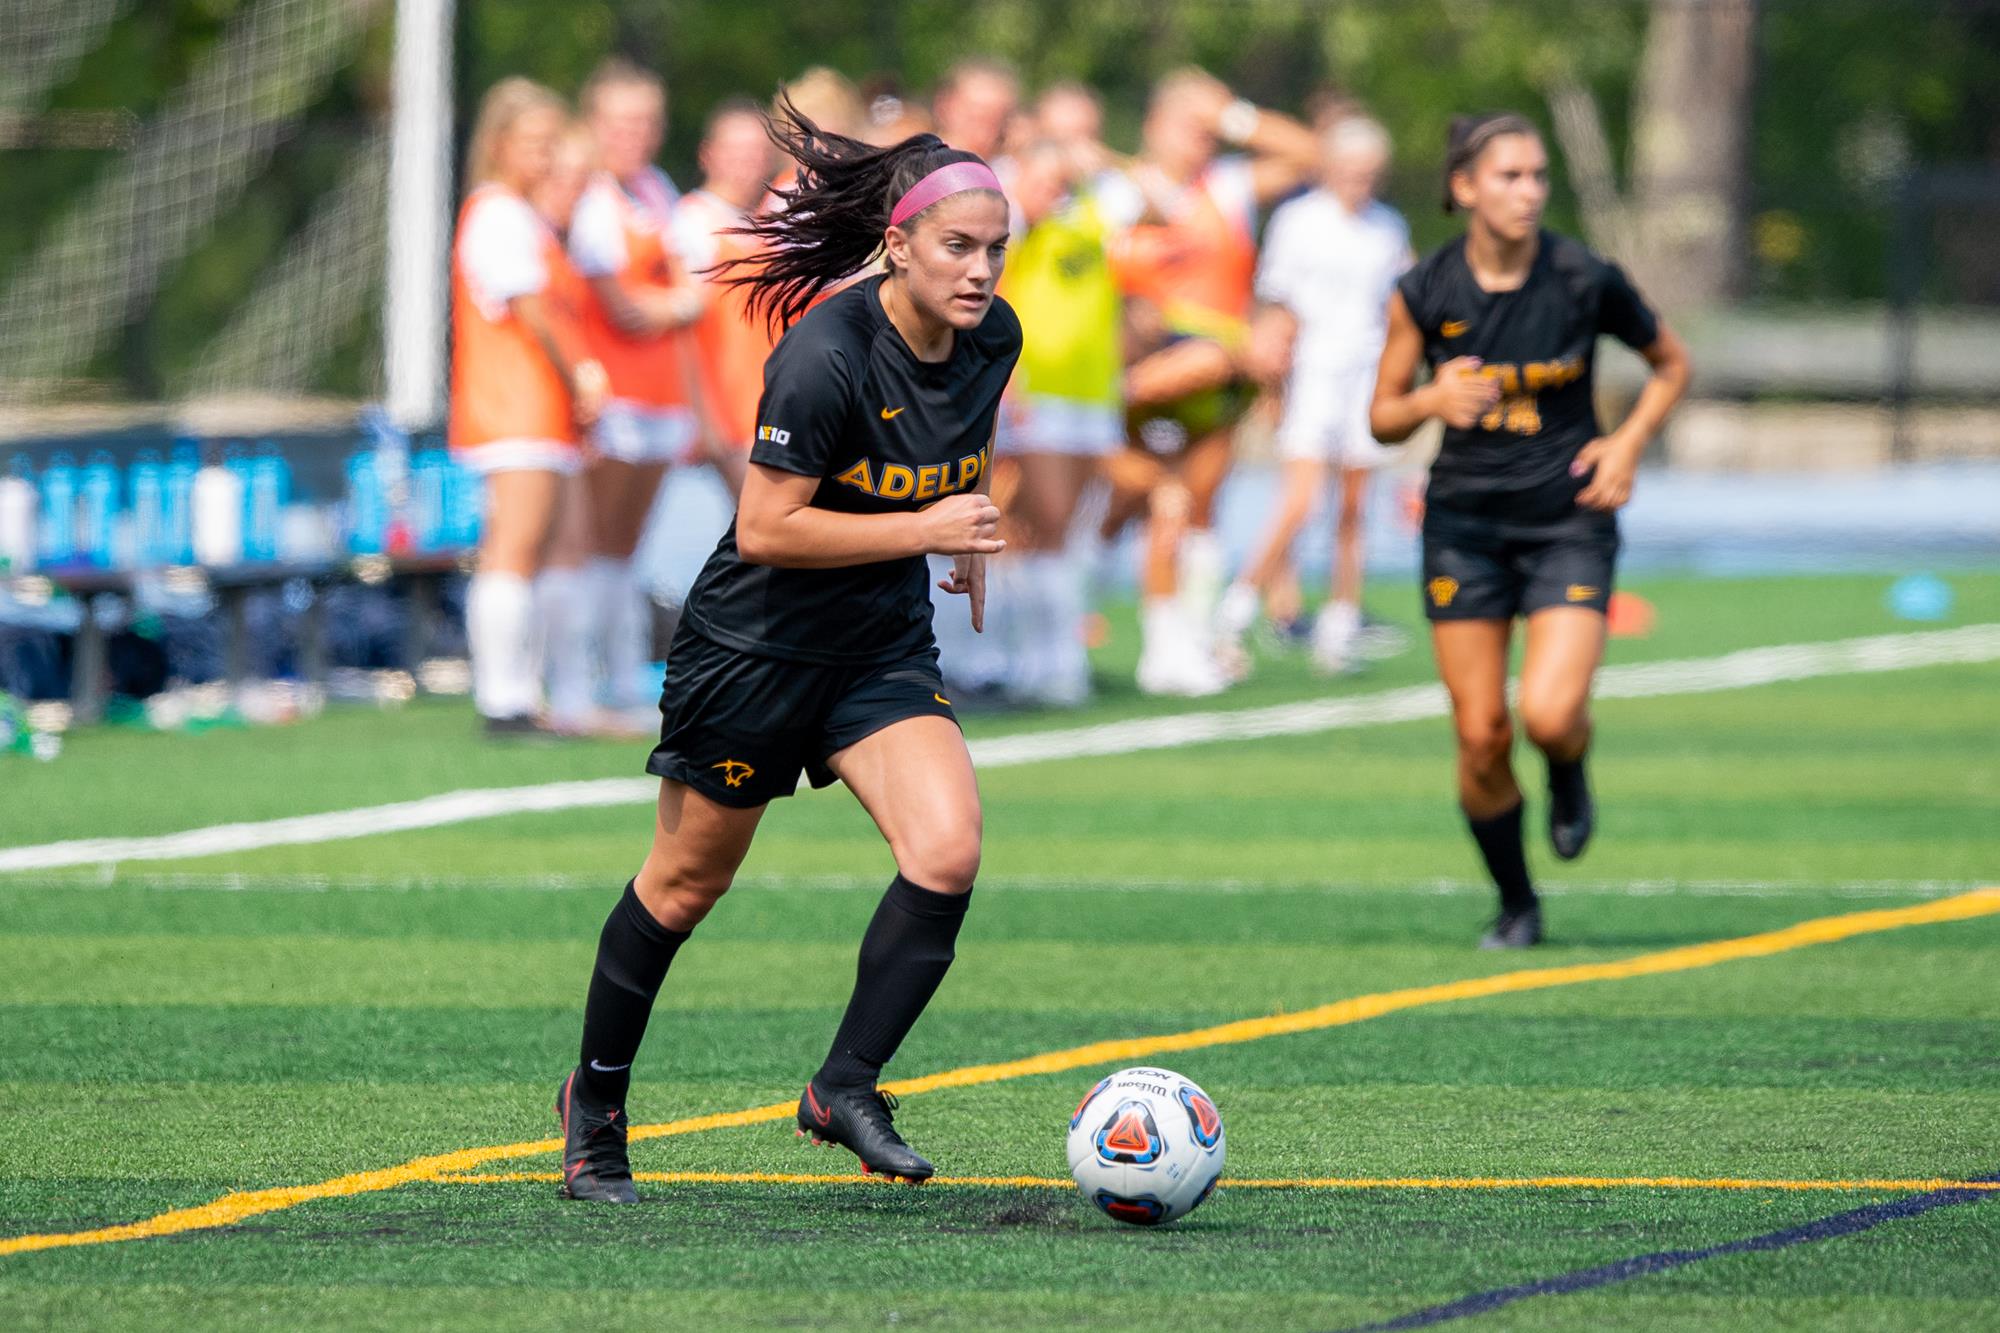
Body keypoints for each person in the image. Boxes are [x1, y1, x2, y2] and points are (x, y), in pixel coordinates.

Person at [553, 99, 1020, 1200]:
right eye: (958, 246)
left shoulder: (989, 337)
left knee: (945, 849)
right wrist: (926, 527)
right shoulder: (823, 355)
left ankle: (842, 1085)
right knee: (682, 884)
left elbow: (958, 445)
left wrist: (968, 525)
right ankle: (596, 1099)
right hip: (752, 648)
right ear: (896, 245)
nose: (981, 269)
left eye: (996, 248)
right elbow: (766, 528)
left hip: (876, 645)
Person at [1369, 112, 1690, 948]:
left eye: (1538, 175)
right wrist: (1432, 401)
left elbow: (1671, 363)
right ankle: (1517, 902)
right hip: (1463, 528)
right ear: (1465, 189)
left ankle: (1569, 765)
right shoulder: (1426, 290)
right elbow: (1382, 417)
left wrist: (1624, 445)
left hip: (1567, 524)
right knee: (1480, 735)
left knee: (1546, 715)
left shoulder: (1583, 276)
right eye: (1510, 176)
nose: (1529, 191)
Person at [1097, 69, 1318, 696]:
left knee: (1200, 511)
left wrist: (1235, 117)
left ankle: (1188, 644)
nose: (1200, 140)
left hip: (1217, 381)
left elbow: (1309, 155)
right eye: (1187, 126)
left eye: (1207, 130)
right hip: (1144, 376)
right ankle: (1140, 643)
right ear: (1152, 126)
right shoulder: (1118, 189)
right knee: (1136, 508)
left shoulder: (1224, 185)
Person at [1219, 113, 1413, 674]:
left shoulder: (1388, 226)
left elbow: (1397, 302)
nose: (1361, 181)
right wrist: (1274, 383)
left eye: (1370, 172)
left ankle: (1340, 623)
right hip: (1313, 371)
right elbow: (1277, 303)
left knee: (1355, 505)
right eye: (1351, 170)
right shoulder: (1299, 220)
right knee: (1300, 500)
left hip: (1367, 372)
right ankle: (1235, 610)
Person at [447, 79, 604, 736]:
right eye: (534, 144)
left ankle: (542, 691)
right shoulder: (497, 211)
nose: (545, 158)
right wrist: (583, 378)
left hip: (540, 409)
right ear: (500, 143)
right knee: (513, 548)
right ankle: (503, 697)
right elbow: (534, 311)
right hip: (514, 407)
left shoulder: (526, 214)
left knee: (558, 547)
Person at [562, 58, 707, 730]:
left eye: (647, 121)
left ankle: (621, 675)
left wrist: (674, 304)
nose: (636, 135)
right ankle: (583, 678)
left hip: (658, 397)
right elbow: (625, 308)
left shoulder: (655, 190)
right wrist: (677, 303)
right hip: (612, 396)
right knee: (597, 540)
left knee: (627, 545)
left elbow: (683, 291)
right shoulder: (588, 198)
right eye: (621, 121)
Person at [993, 138, 1123, 706]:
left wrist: (1097, 160)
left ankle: (1056, 662)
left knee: (1067, 533)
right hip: (1038, 390)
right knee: (1045, 521)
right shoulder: (1012, 225)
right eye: (1036, 179)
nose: (1046, 190)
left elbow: (1152, 199)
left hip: (1094, 392)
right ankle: (1043, 663)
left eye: (1055, 178)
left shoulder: (1095, 212)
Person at [671, 99, 781, 492]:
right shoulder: (695, 222)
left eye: (755, 153)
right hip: (728, 419)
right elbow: (681, 332)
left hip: (766, 410)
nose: (746, 164)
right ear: (708, 155)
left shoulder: (764, 225)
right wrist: (706, 419)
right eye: (735, 153)